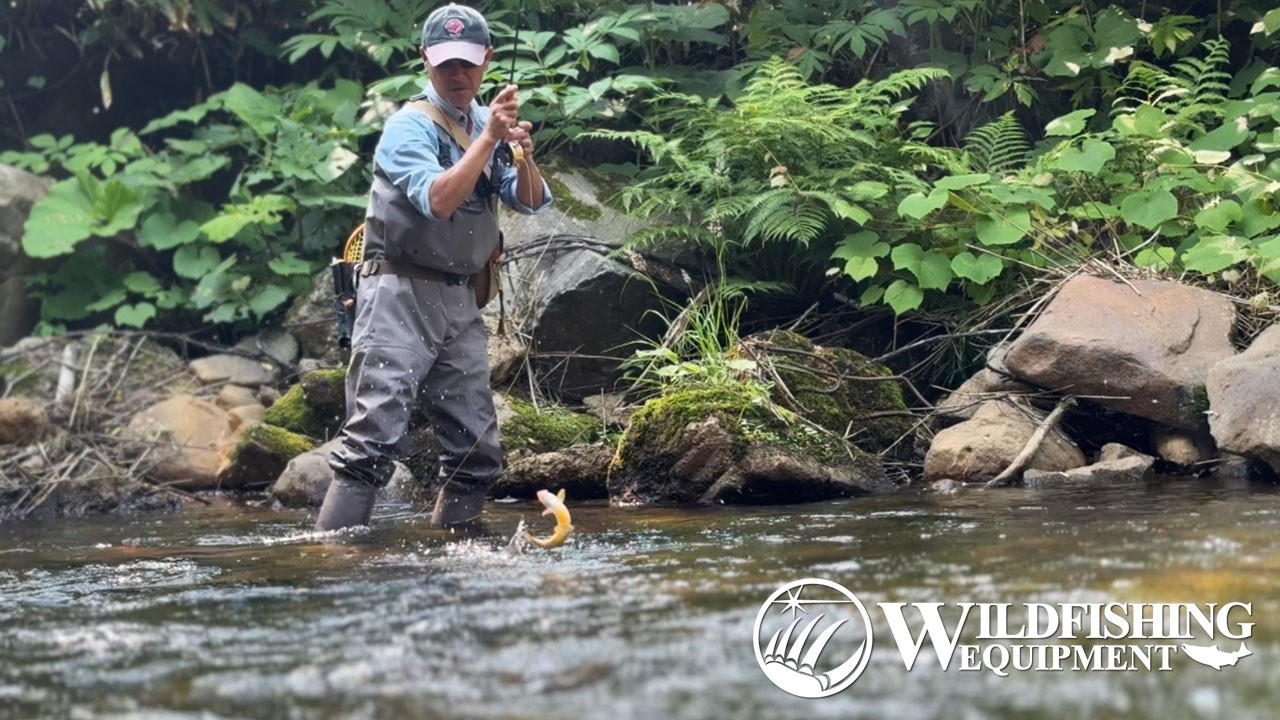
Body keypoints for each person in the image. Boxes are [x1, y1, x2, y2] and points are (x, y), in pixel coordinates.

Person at [316, 3, 552, 532]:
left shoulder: (484, 128)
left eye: (467, 62)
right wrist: (490, 138)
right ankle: (330, 566)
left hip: (459, 300)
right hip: (397, 294)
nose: (457, 74)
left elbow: (533, 202)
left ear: (487, 60)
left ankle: (457, 558)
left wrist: (522, 153)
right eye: (445, 62)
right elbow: (439, 200)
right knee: (369, 444)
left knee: (476, 453)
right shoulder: (409, 127)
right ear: (425, 60)